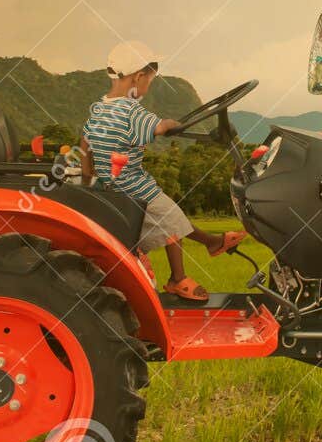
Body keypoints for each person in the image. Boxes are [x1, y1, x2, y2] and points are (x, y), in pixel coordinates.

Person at [79, 41, 245, 301]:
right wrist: (174, 124)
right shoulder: (131, 111)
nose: (148, 87)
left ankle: (212, 242)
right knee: (171, 220)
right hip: (133, 185)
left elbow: (85, 144)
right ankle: (177, 279)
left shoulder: (99, 109)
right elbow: (159, 127)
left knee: (172, 218)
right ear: (139, 77)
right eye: (150, 82)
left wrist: (88, 178)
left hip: (109, 187)